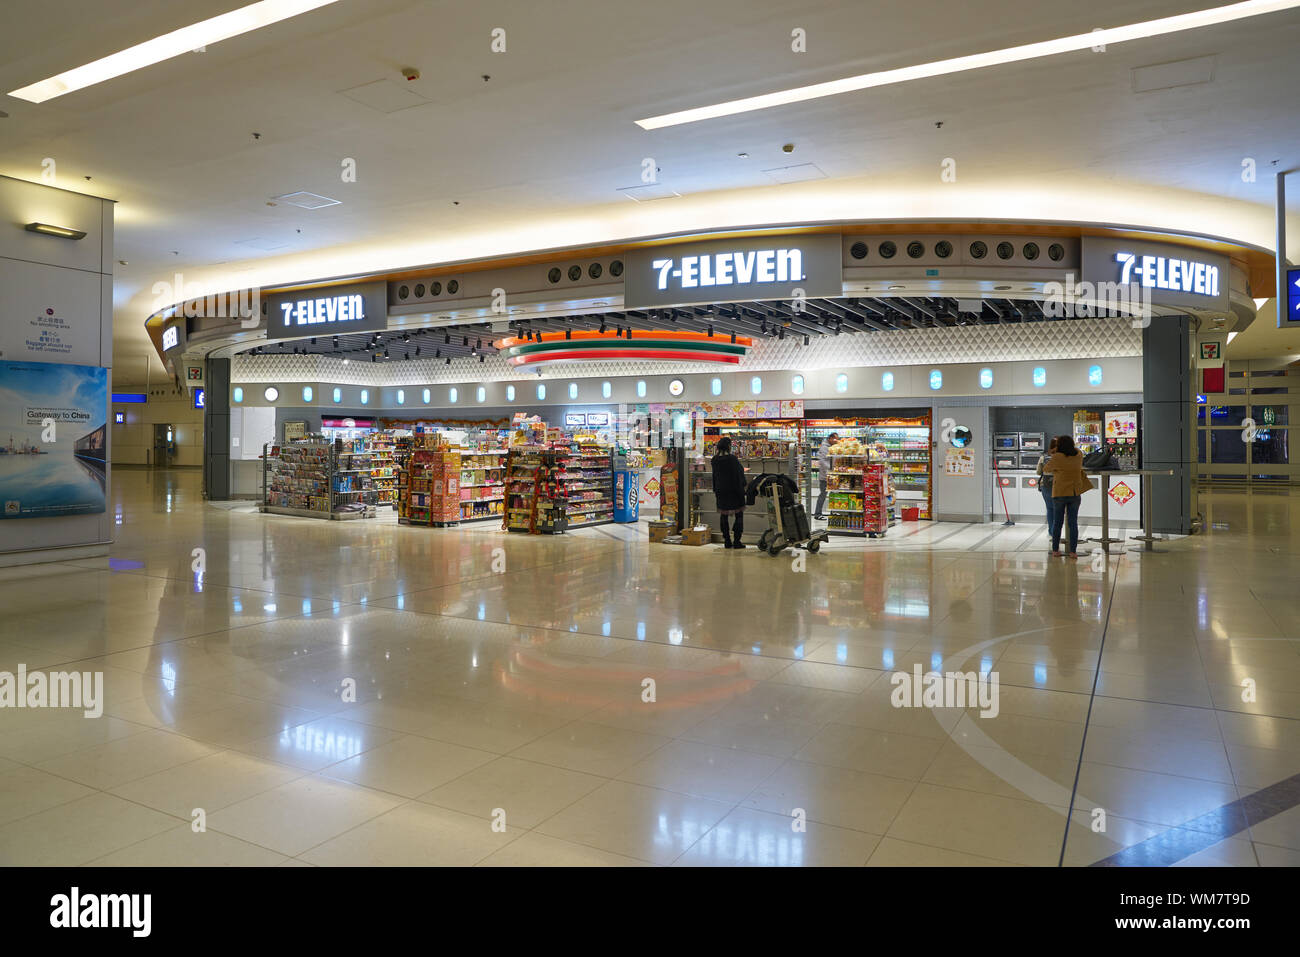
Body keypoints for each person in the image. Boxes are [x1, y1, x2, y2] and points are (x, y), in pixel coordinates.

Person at [1041, 433, 1092, 559]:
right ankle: (1073, 552)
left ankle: (1055, 550)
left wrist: (1054, 451)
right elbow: (1076, 450)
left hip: (1059, 493)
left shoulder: (1057, 457)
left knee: (1058, 523)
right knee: (1073, 523)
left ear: (1059, 446)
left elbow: (1046, 469)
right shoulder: (1078, 455)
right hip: (1074, 493)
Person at [711, 436, 748, 549]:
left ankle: (727, 540)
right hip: (734, 491)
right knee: (739, 516)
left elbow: (714, 476)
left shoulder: (714, 460)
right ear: (729, 446)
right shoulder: (732, 459)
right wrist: (743, 485)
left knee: (724, 516)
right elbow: (739, 474)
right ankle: (737, 541)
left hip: (721, 491)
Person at [813, 432, 839, 520]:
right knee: (823, 494)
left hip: (832, 475)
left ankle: (833, 511)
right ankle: (817, 513)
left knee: (833, 494)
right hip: (825, 476)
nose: (836, 440)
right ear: (830, 439)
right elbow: (823, 462)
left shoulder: (833, 447)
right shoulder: (824, 448)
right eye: (835, 439)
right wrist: (831, 470)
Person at [1035, 437, 1058, 528]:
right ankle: (1057, 530)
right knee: (1058, 509)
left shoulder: (1043, 457)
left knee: (1050, 508)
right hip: (1060, 485)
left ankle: (1051, 531)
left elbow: (1038, 472)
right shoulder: (1064, 458)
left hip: (1046, 485)